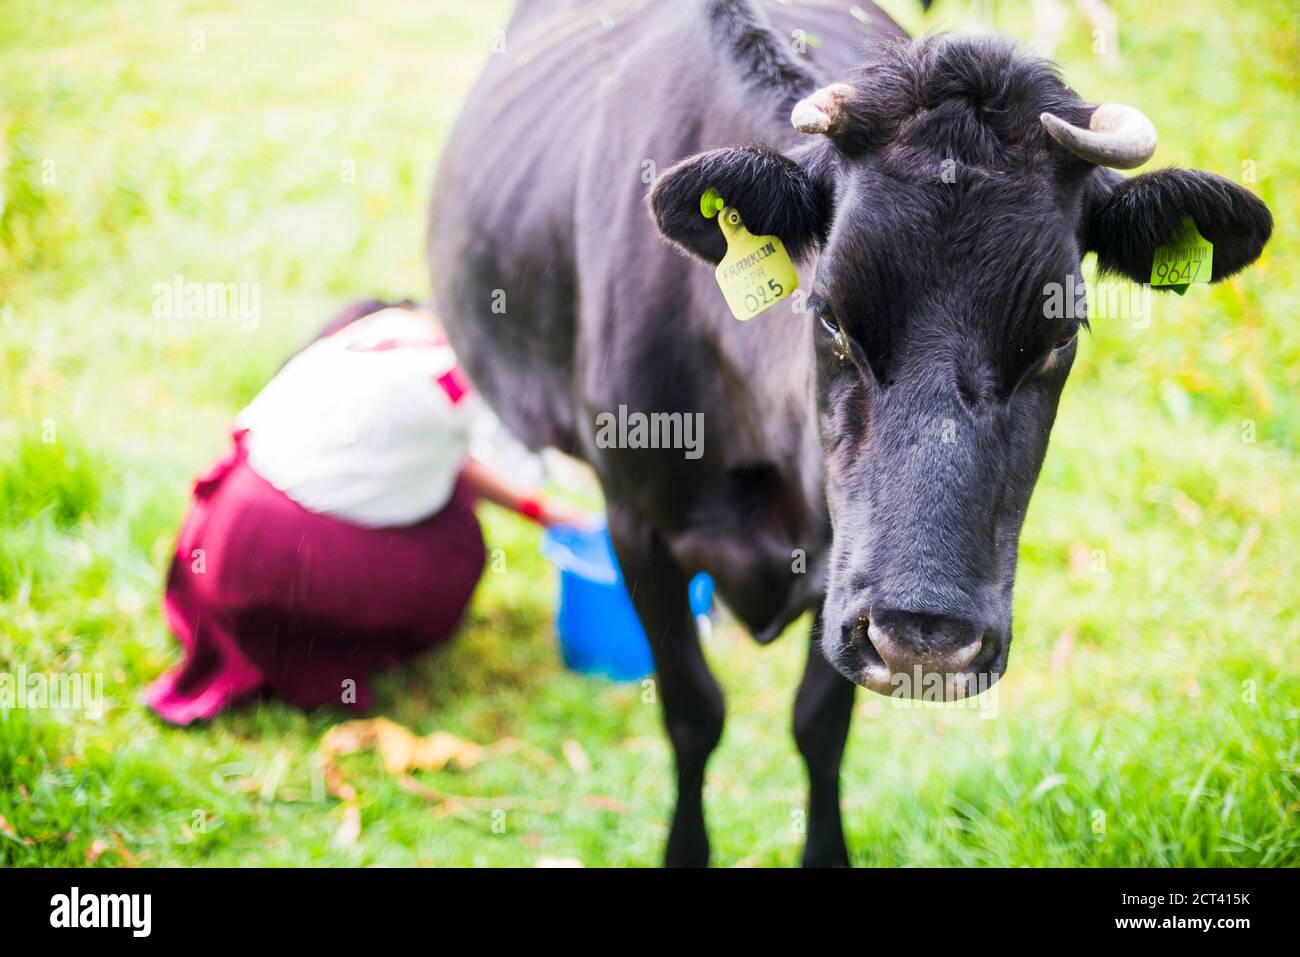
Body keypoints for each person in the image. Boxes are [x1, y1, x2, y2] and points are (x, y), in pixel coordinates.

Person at [146, 299, 582, 724]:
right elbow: (529, 462)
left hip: (220, 531)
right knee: (456, 542)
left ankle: (258, 628)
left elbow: (451, 457)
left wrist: (539, 511)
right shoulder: (469, 380)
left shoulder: (391, 326)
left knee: (441, 497)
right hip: (277, 560)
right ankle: (329, 649)